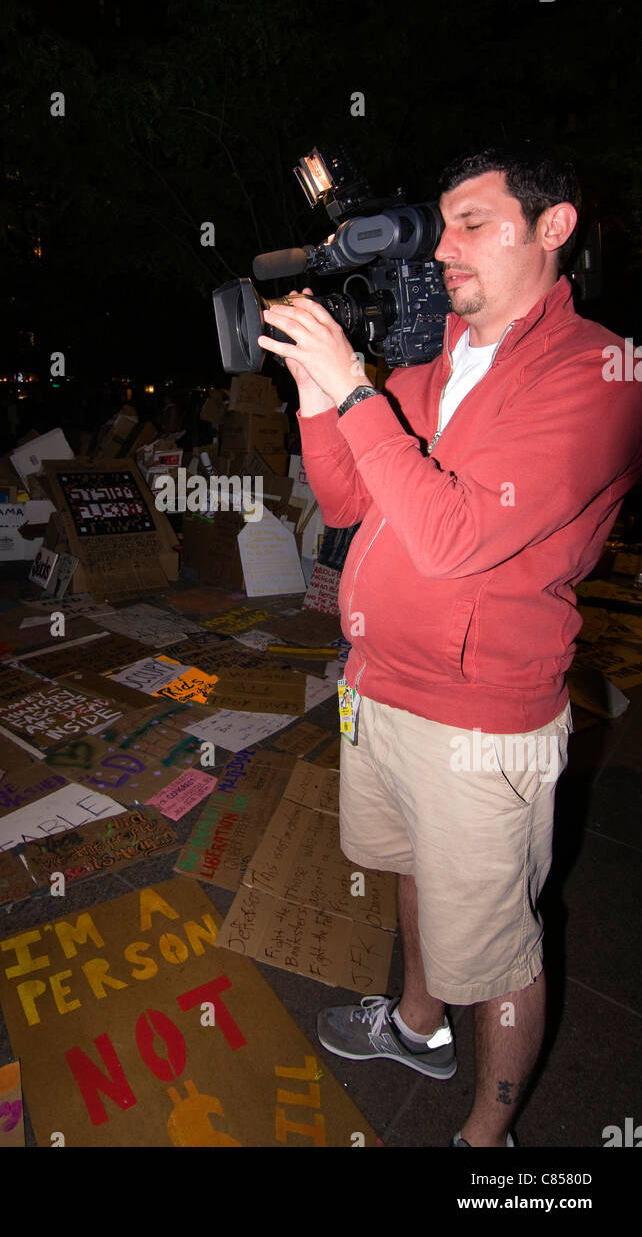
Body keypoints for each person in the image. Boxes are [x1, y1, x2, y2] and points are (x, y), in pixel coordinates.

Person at [258, 142, 642, 1148]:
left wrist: (352, 391)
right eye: (442, 225)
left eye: (473, 222)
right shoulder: (431, 366)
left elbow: (455, 535)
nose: (447, 247)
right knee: (411, 873)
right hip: (379, 683)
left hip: (481, 714)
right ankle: (416, 1027)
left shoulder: (601, 368)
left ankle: (486, 1141)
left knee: (498, 953)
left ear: (551, 227)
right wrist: (312, 388)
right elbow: (347, 497)